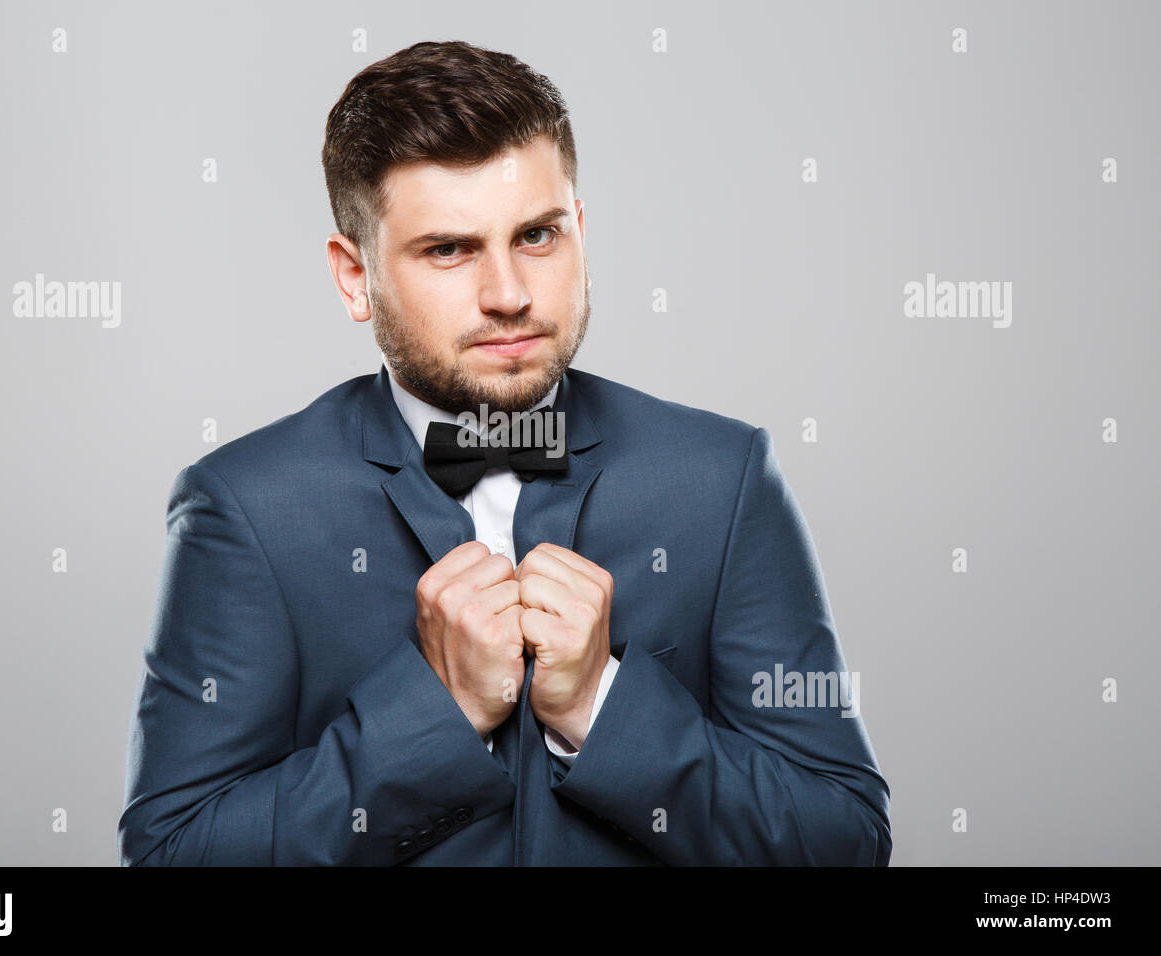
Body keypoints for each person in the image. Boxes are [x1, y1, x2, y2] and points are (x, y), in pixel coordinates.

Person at [117, 39, 891, 866]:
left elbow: (844, 838)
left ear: (581, 235)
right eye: (449, 250)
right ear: (354, 277)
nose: (510, 294)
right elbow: (171, 855)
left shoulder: (721, 478)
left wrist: (602, 706)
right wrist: (434, 716)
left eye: (537, 236)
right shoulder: (245, 506)